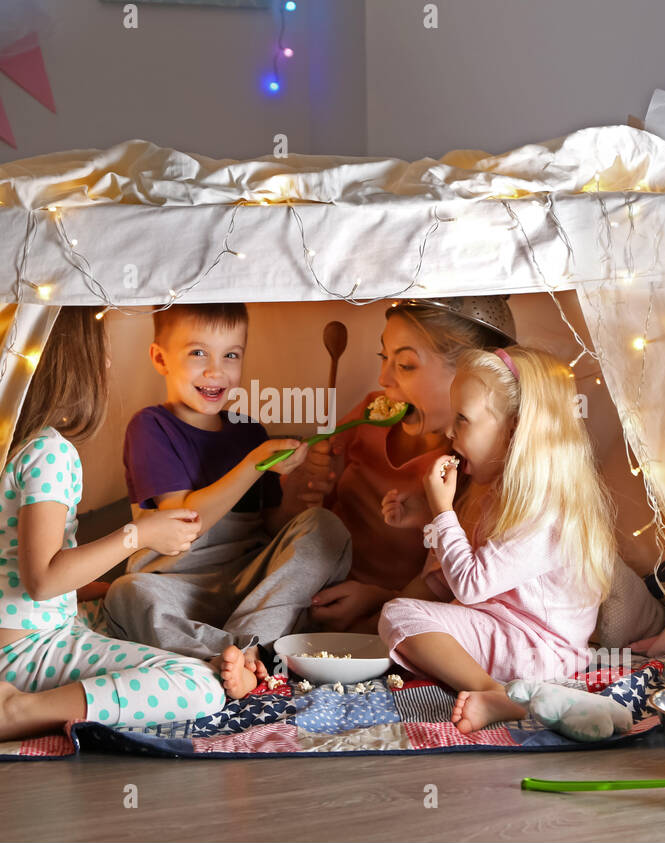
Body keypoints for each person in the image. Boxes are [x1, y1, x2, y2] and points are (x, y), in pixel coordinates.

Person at [0, 307, 227, 747]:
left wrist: (99, 589)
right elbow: (43, 580)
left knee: (127, 605)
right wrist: (141, 535)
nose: (106, 364)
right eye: (99, 352)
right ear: (74, 364)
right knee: (197, 684)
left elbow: (9, 569)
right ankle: (16, 710)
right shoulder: (50, 453)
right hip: (21, 656)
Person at [102, 303, 352, 697]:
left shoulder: (249, 432)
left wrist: (300, 489)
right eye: (198, 353)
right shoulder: (151, 426)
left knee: (325, 526)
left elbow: (272, 526)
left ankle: (246, 649)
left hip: (250, 584)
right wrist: (254, 465)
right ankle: (242, 654)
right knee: (127, 593)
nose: (216, 370)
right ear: (160, 358)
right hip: (177, 584)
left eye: (231, 355)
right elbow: (181, 520)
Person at [377, 346, 618, 732]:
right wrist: (427, 519)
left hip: (538, 651)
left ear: (514, 429)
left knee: (398, 615)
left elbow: (471, 585)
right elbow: (457, 574)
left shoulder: (546, 511)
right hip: (508, 634)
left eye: (463, 418)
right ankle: (494, 689)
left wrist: (443, 513)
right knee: (402, 611)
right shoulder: (499, 494)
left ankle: (499, 695)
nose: (449, 431)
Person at [281, 298, 515, 633]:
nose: (383, 378)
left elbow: (454, 582)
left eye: (405, 365)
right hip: (312, 587)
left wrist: (379, 598)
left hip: (393, 616)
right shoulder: (369, 414)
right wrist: (306, 484)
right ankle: (254, 645)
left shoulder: (474, 468)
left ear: (470, 376)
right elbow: (296, 522)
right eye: (383, 357)